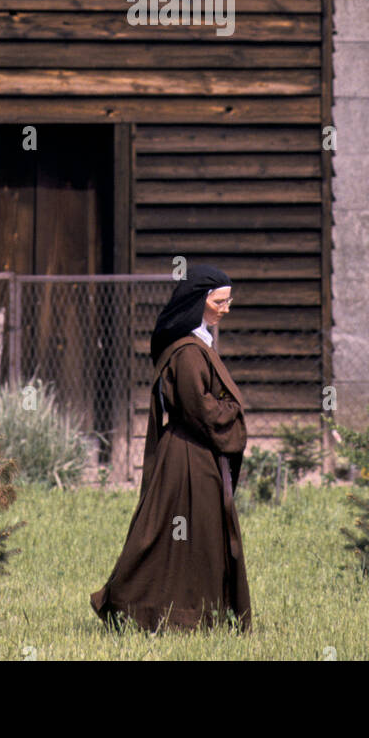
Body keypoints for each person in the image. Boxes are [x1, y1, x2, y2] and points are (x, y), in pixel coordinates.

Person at [90, 264, 251, 633]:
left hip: (193, 457)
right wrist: (233, 412)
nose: (226, 309)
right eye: (220, 302)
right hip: (188, 460)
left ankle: (190, 614)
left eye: (229, 301)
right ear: (199, 303)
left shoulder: (197, 345)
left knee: (191, 538)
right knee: (176, 538)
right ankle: (144, 607)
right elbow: (201, 410)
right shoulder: (189, 353)